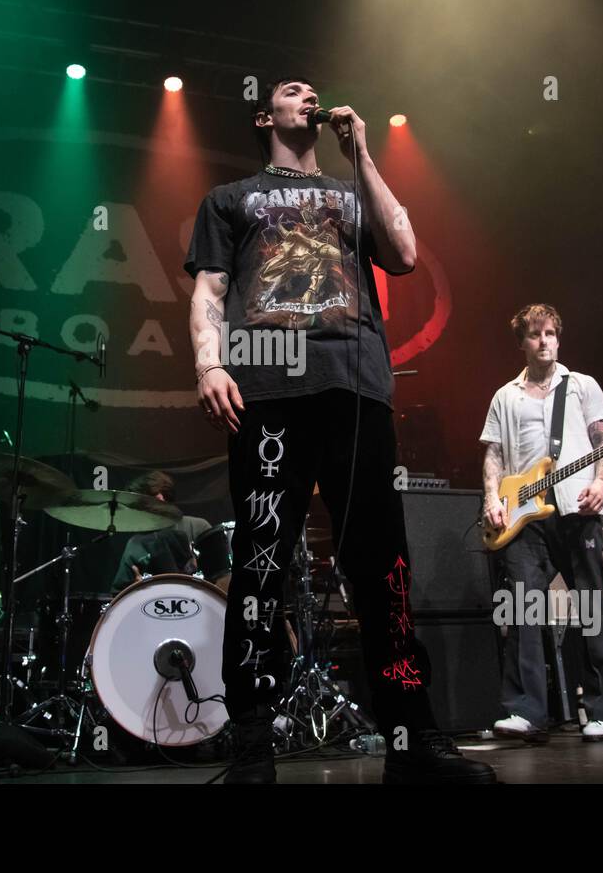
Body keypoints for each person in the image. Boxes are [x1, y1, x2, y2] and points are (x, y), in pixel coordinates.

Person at [184, 76, 495, 784]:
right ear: (266, 115)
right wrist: (209, 367)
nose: (308, 94)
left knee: (383, 571)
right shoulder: (229, 199)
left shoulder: (356, 192)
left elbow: (408, 252)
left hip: (357, 390)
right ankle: (252, 749)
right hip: (267, 392)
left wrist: (364, 154)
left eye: (312, 89)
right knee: (261, 567)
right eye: (292, 91)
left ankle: (413, 744)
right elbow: (208, 291)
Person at [481, 304, 603, 742]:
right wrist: (492, 497)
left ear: (558, 338)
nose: (544, 341)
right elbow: (493, 453)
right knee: (524, 611)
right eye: (534, 335)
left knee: (589, 606)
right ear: (521, 342)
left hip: (577, 507)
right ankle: (525, 712)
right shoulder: (505, 395)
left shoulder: (582, 386)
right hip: (524, 519)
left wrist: (600, 483)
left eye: (550, 334)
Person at [108, 471, 212, 594]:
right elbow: (117, 594)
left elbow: (221, 576)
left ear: (162, 497)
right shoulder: (136, 543)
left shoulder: (198, 527)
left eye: (149, 498)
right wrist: (134, 591)